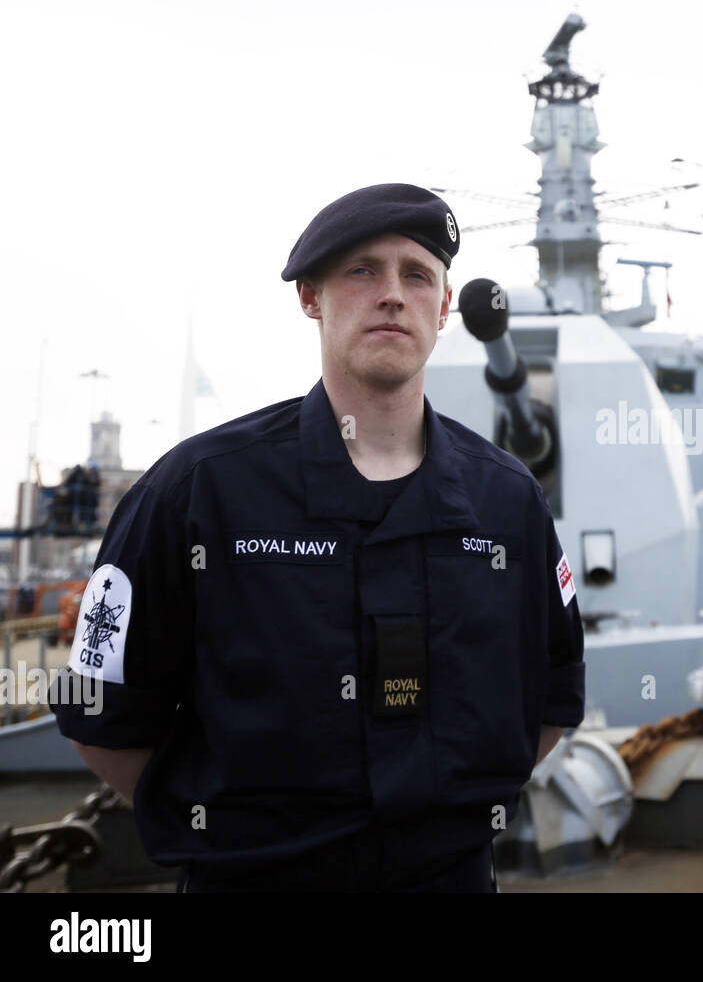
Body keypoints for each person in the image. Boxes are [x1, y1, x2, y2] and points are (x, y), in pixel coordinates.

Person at [53, 183, 586, 892]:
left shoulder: (509, 503)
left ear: (445, 305)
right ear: (311, 296)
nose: (393, 293)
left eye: (417, 274)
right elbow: (99, 710)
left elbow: (552, 696)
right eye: (362, 270)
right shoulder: (196, 492)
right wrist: (233, 835)